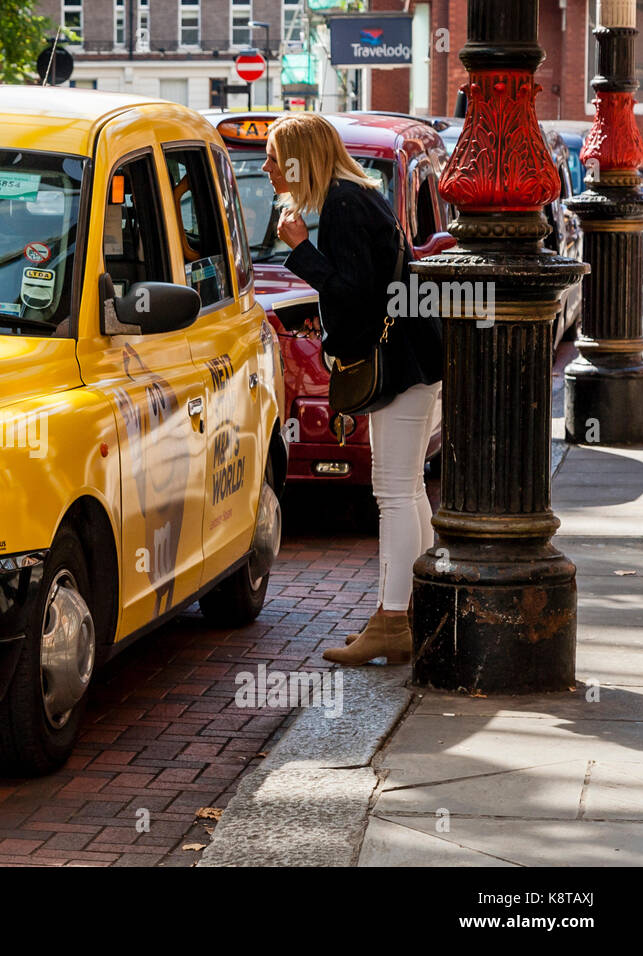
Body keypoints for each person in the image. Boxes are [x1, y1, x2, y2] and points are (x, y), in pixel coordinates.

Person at [264, 112, 443, 666]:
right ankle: (418, 608)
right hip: (413, 357)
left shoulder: (342, 203)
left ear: (299, 159)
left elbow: (354, 291)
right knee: (406, 488)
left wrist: (299, 248)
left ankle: (394, 620)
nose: (269, 167)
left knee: (392, 492)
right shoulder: (354, 195)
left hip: (399, 364)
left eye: (275, 156)